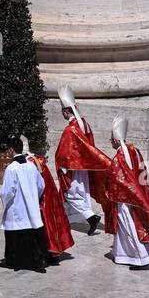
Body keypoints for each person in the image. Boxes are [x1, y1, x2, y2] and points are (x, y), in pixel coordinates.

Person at [103, 117, 149, 268]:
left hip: (124, 200)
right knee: (134, 226)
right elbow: (142, 171)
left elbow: (116, 180)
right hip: (135, 197)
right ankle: (126, 254)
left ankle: (140, 258)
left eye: (111, 139)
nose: (110, 142)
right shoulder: (134, 151)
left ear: (115, 141)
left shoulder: (118, 158)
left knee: (129, 228)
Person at [55, 84, 109, 237]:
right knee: (79, 194)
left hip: (73, 169)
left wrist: (63, 167)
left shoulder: (70, 130)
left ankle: (91, 218)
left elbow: (65, 153)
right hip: (83, 167)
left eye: (62, 112)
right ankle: (64, 220)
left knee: (71, 195)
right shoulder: (85, 124)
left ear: (66, 112)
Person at [0, 139, 48, 273]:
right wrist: (33, 197)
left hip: (16, 208)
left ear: (11, 150)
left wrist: (2, 195)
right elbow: (41, 185)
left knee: (15, 235)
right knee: (30, 234)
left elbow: (8, 191)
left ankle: (14, 261)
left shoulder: (11, 168)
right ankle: (36, 261)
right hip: (31, 207)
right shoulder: (31, 166)